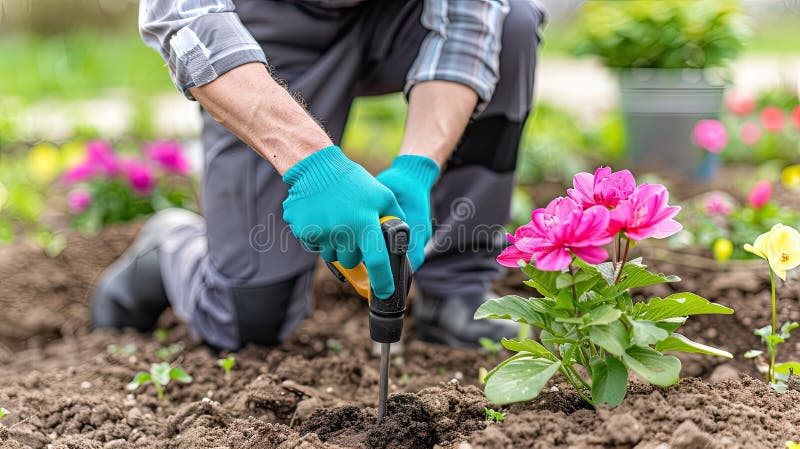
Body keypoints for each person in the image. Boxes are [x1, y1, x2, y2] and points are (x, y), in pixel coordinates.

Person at [91, 0, 545, 350]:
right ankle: (169, 244)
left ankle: (456, 287)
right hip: (260, 32)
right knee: (246, 320)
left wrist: (417, 167)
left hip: (400, 17)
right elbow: (183, 16)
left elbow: (470, 20)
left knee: (510, 24)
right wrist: (313, 166)